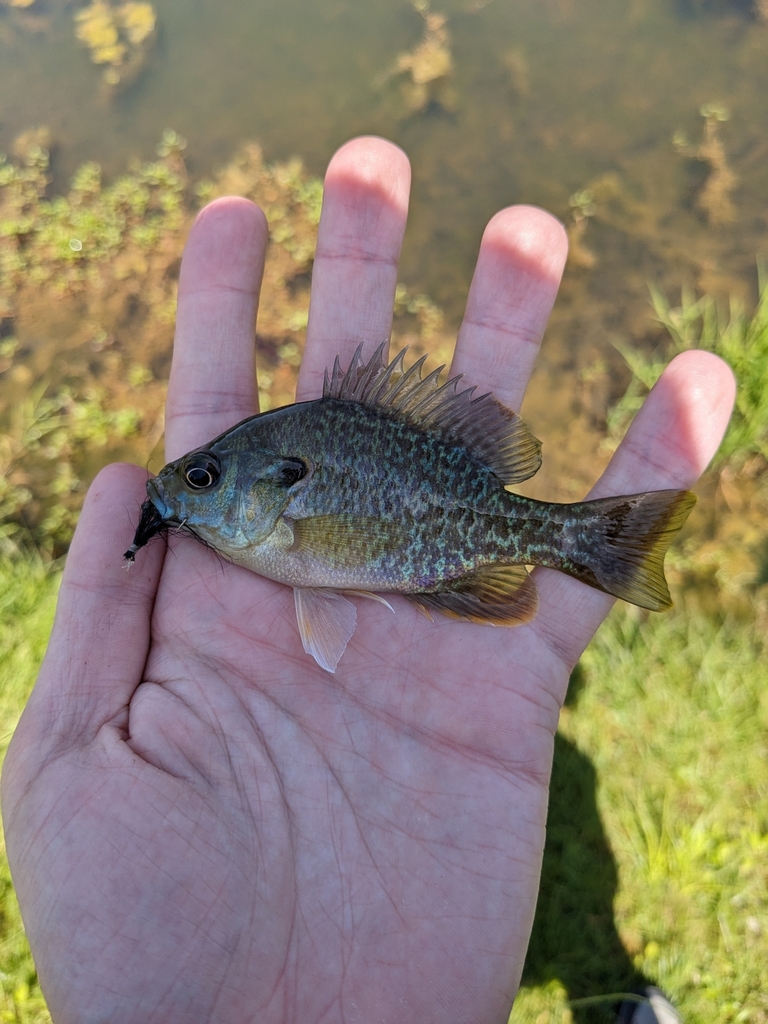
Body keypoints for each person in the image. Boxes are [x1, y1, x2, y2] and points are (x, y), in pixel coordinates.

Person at [1, 137, 734, 1024]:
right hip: (440, 543)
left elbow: (336, 559)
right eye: (196, 480)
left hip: (462, 534)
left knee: (537, 533)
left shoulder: (286, 520)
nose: (185, 490)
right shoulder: (274, 519)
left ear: (272, 490)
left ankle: (596, 539)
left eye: (203, 480)